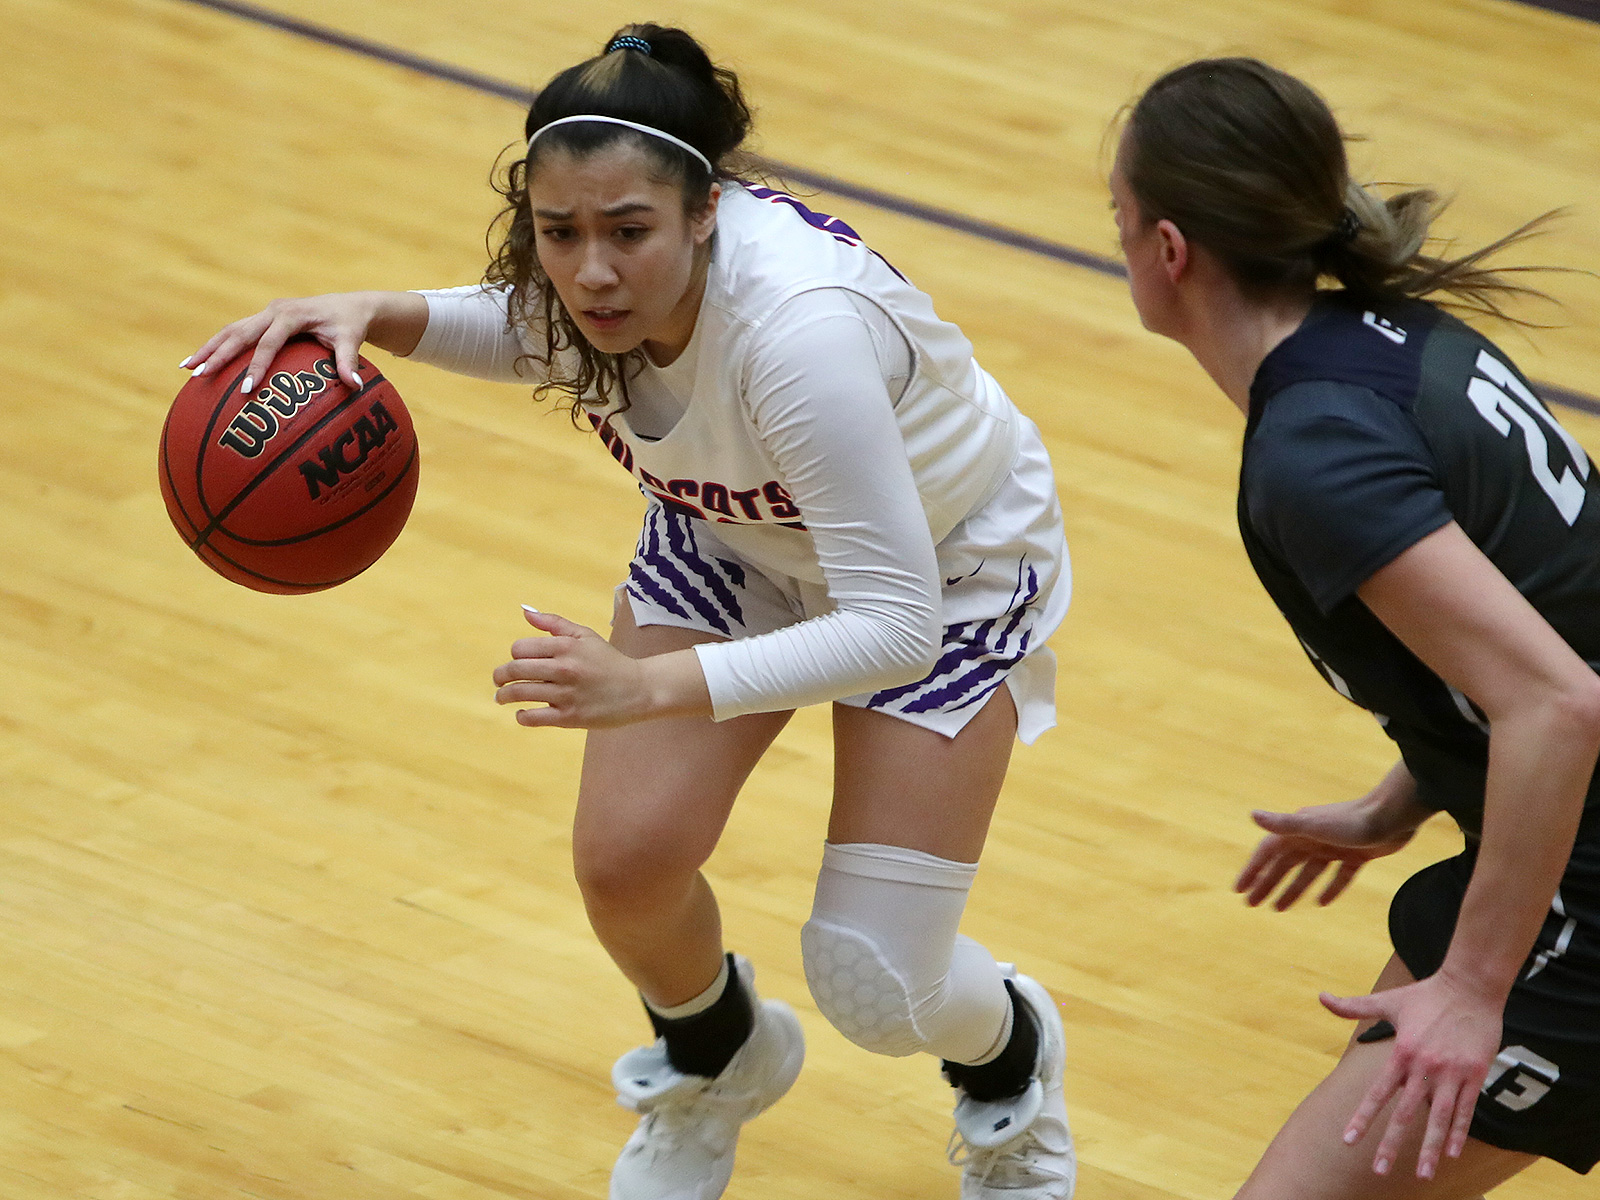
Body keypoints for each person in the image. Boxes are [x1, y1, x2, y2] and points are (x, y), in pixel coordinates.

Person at [184, 25, 1075, 1200]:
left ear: (707, 210)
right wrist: (372, 312)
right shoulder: (588, 289)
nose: (592, 271)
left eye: (628, 233)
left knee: (875, 977)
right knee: (627, 866)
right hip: (739, 539)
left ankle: (1013, 1069)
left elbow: (893, 626)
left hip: (943, 574)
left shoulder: (799, 336)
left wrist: (647, 684)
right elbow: (521, 323)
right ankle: (721, 1061)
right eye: (560, 234)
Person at [1107, 58, 1600, 1199]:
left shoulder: (1316, 453)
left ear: (1168, 249)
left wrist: (1475, 988)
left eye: (1116, 222)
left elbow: (1559, 701)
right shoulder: (1385, 333)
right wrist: (1410, 786)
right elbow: (1543, 625)